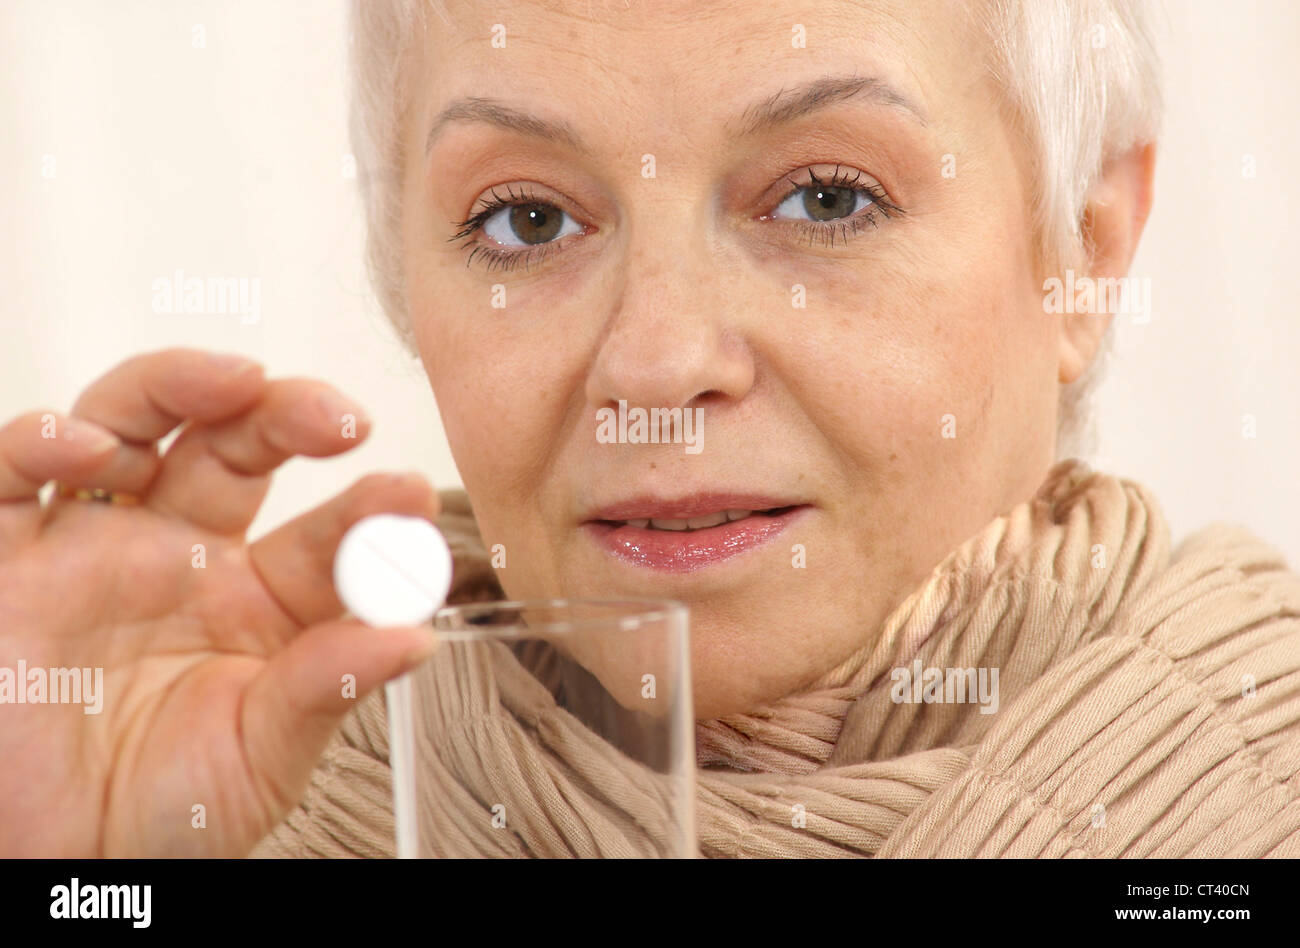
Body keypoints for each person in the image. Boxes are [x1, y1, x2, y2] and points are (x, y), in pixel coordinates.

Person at [3, 0, 1298, 858]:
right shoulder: (226, 804)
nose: (655, 361)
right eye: (528, 220)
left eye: (827, 197)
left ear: (1085, 242)